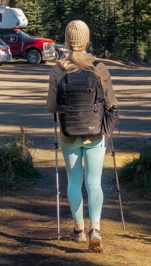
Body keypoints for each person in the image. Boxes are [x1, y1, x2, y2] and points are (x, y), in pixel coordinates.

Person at [47, 19, 117, 253]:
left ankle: (78, 230)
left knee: (74, 181)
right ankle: (95, 229)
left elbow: (50, 107)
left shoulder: (58, 69)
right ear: (86, 39)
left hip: (68, 135)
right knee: (94, 181)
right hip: (95, 133)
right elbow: (111, 103)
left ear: (67, 40)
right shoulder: (98, 68)